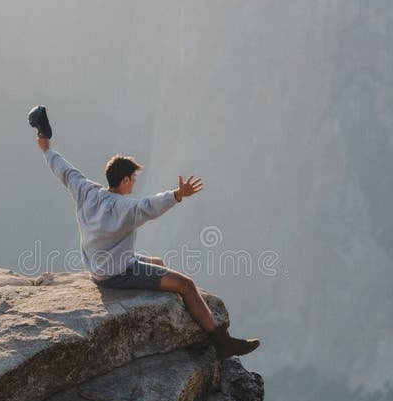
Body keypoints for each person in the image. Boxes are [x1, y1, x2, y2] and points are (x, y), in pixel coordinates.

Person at [36, 132, 259, 360]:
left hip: (98, 268)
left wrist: (46, 149)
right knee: (186, 284)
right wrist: (178, 195)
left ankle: (189, 315)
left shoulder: (87, 192)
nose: (134, 183)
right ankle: (222, 342)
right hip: (117, 273)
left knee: (158, 263)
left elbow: (65, 171)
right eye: (133, 178)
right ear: (124, 181)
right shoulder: (125, 209)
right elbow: (149, 206)